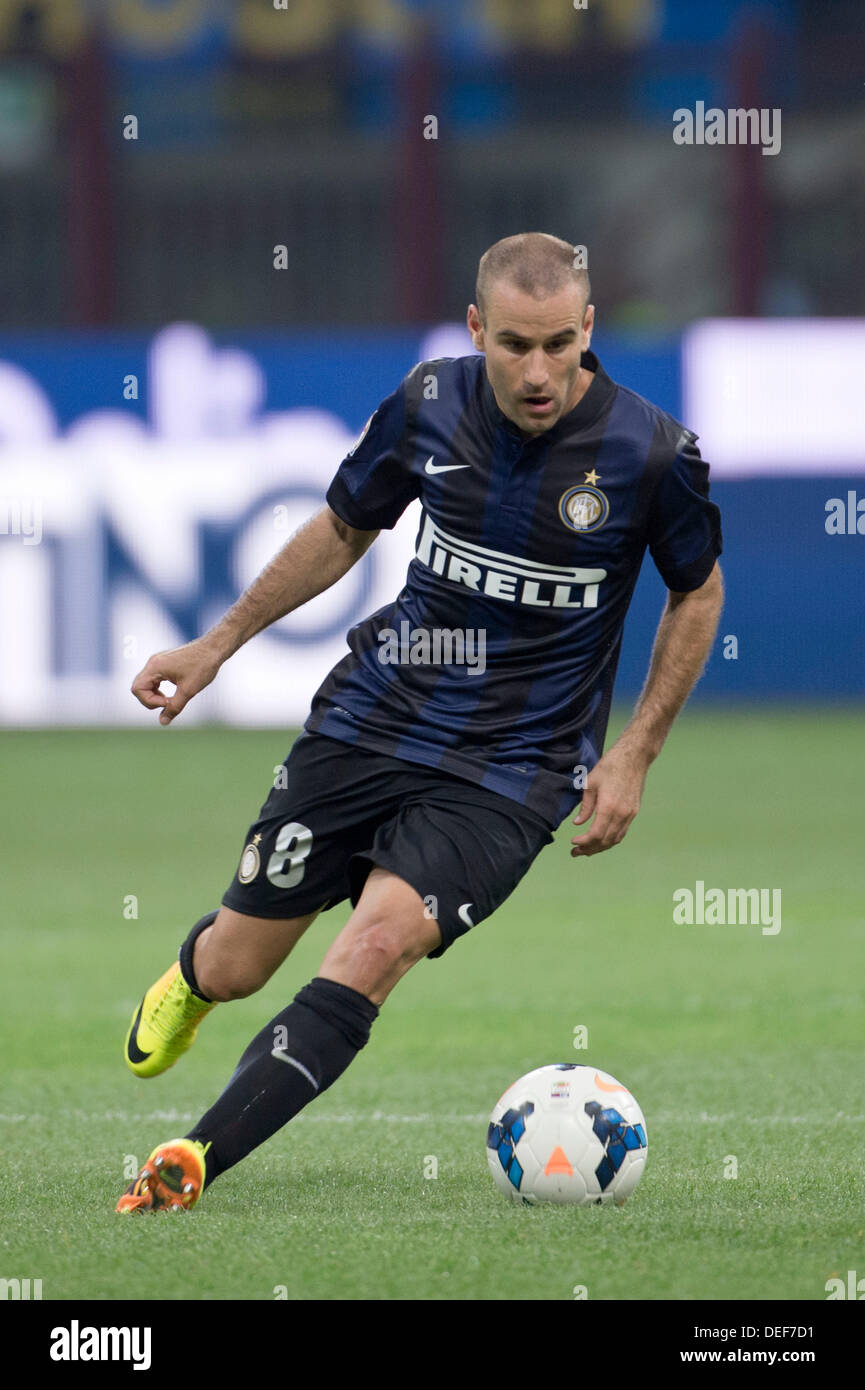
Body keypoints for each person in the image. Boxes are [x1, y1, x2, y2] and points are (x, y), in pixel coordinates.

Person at [116, 232, 723, 1213]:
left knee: (374, 944)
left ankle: (193, 1157)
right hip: (374, 715)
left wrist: (636, 750)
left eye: (559, 344)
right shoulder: (426, 404)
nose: (537, 371)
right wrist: (214, 645)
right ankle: (193, 974)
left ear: (589, 330)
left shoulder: (651, 452)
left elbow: (695, 594)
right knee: (240, 964)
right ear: (476, 327)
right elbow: (344, 527)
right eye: (514, 344)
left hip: (513, 768)